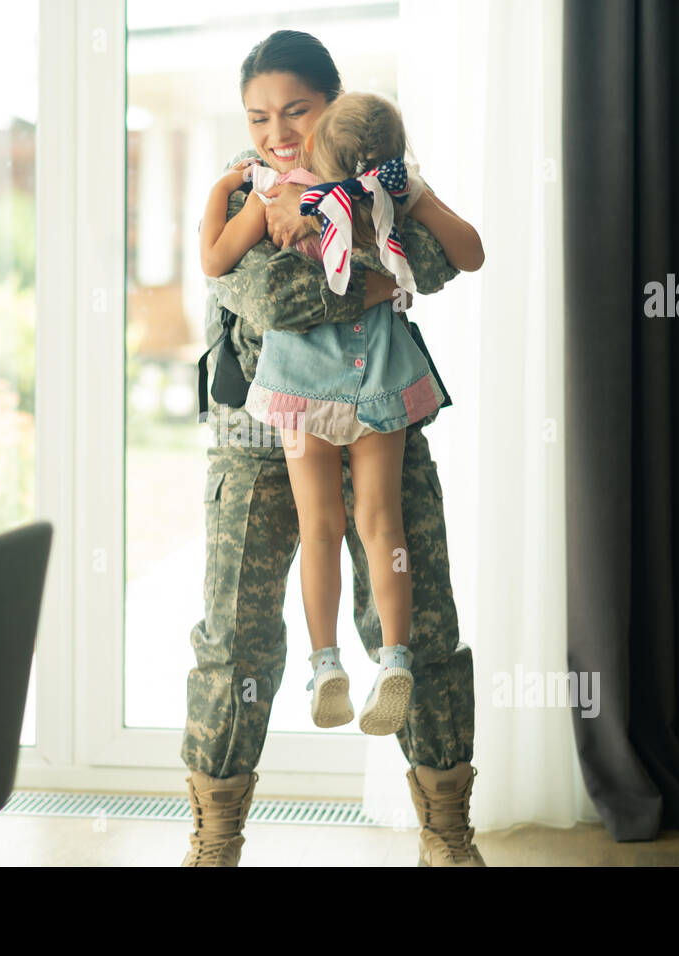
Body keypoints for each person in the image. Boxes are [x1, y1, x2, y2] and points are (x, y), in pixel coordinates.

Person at [181, 29, 486, 867]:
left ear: (335, 107)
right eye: (258, 118)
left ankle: (447, 833)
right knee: (234, 641)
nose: (277, 132)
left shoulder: (378, 177)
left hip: (379, 406)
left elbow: (445, 252)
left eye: (297, 111)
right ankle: (215, 838)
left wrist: (389, 256)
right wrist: (386, 276)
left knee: (420, 624)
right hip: (261, 433)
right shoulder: (244, 190)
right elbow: (275, 298)